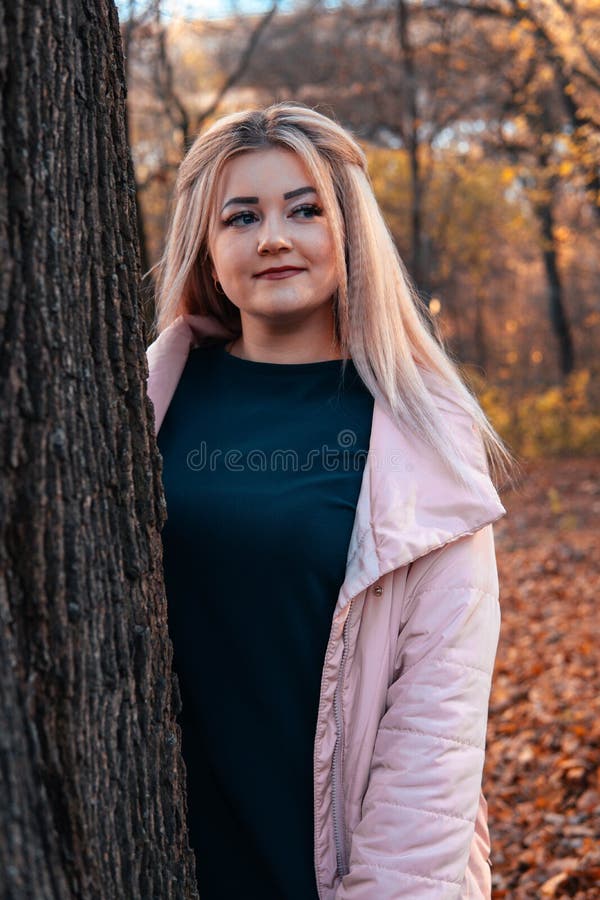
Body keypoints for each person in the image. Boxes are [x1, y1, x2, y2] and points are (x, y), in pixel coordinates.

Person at [144, 101, 517, 900]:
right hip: (160, 861)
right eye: (242, 217)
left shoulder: (423, 437)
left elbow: (434, 734)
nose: (273, 238)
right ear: (207, 246)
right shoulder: (145, 401)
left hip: (331, 869)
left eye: (305, 210)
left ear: (350, 231)